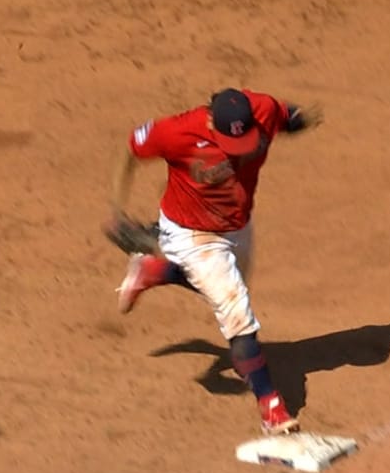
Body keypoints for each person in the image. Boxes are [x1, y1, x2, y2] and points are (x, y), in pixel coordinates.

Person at [106, 87, 322, 435]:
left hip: (237, 226)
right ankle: (272, 408)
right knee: (238, 315)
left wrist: (301, 119)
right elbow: (130, 148)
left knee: (229, 294)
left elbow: (287, 115)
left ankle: (153, 270)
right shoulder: (177, 132)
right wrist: (116, 210)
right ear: (210, 120)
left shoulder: (263, 109)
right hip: (190, 234)